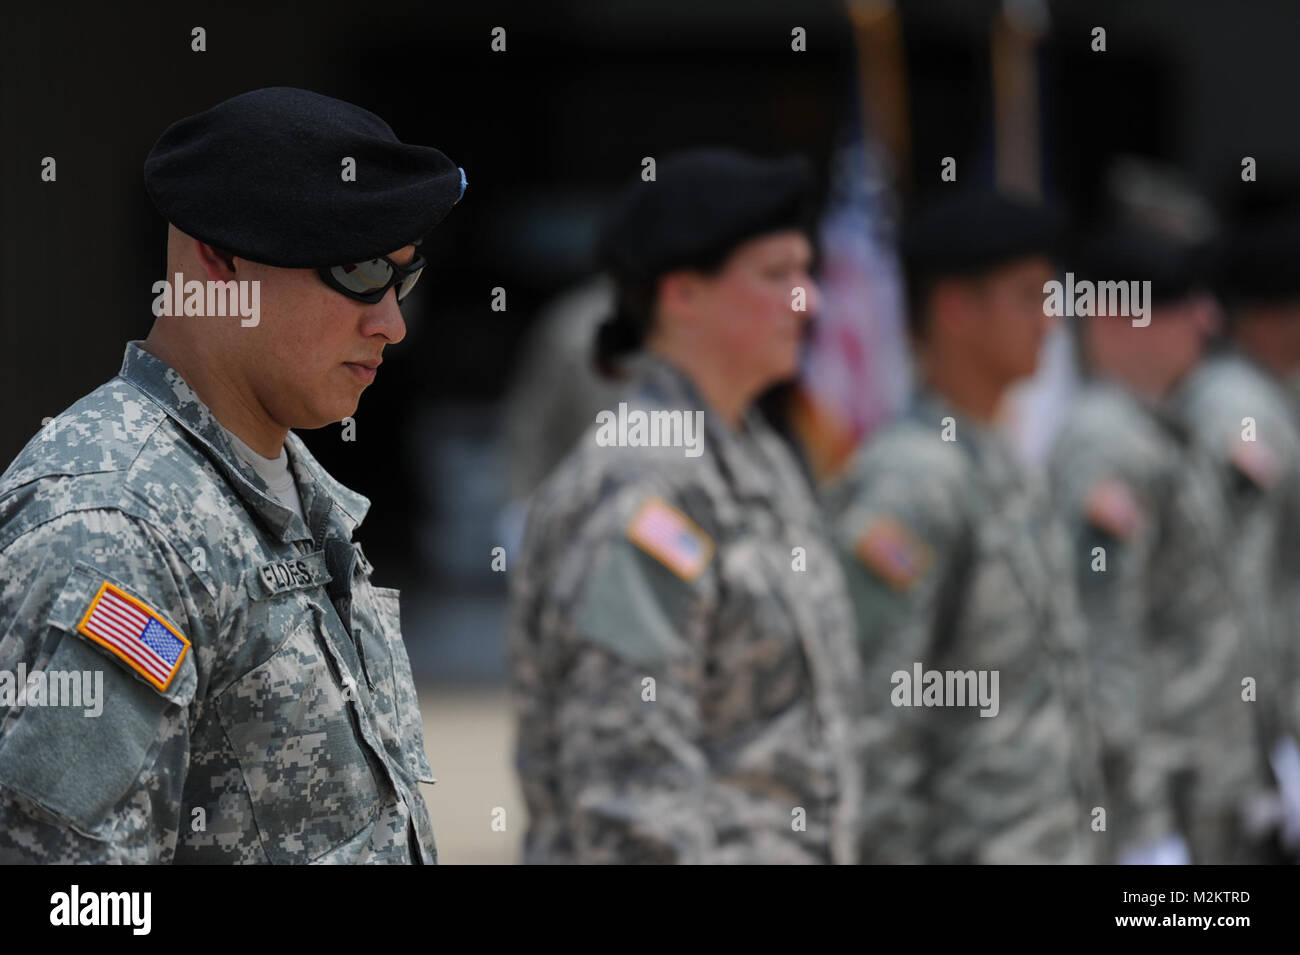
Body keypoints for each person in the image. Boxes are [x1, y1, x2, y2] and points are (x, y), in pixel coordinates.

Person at [0, 87, 465, 863]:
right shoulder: (114, 526)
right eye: (357, 270)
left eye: (403, 278)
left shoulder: (291, 492)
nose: (391, 322)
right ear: (218, 258)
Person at [507, 148, 864, 864]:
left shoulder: (759, 453)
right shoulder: (640, 485)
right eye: (776, 275)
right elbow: (627, 786)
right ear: (682, 296)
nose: (810, 300)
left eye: (807, 272)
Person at [824, 191, 1101, 864]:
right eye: (1030, 297)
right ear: (955, 309)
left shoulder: (999, 460)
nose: (1052, 323)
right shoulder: (912, 479)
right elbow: (874, 719)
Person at [1049, 225, 1269, 864]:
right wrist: (1141, 826)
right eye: (1176, 303)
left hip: (1204, 782)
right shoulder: (1107, 443)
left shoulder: (1158, 429)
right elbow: (1105, 641)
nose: (1205, 321)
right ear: (1117, 319)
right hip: (1164, 793)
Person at [1177, 210, 1300, 855]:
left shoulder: (1271, 393)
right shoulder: (1238, 408)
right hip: (1243, 734)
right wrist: (1270, 744)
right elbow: (1241, 586)